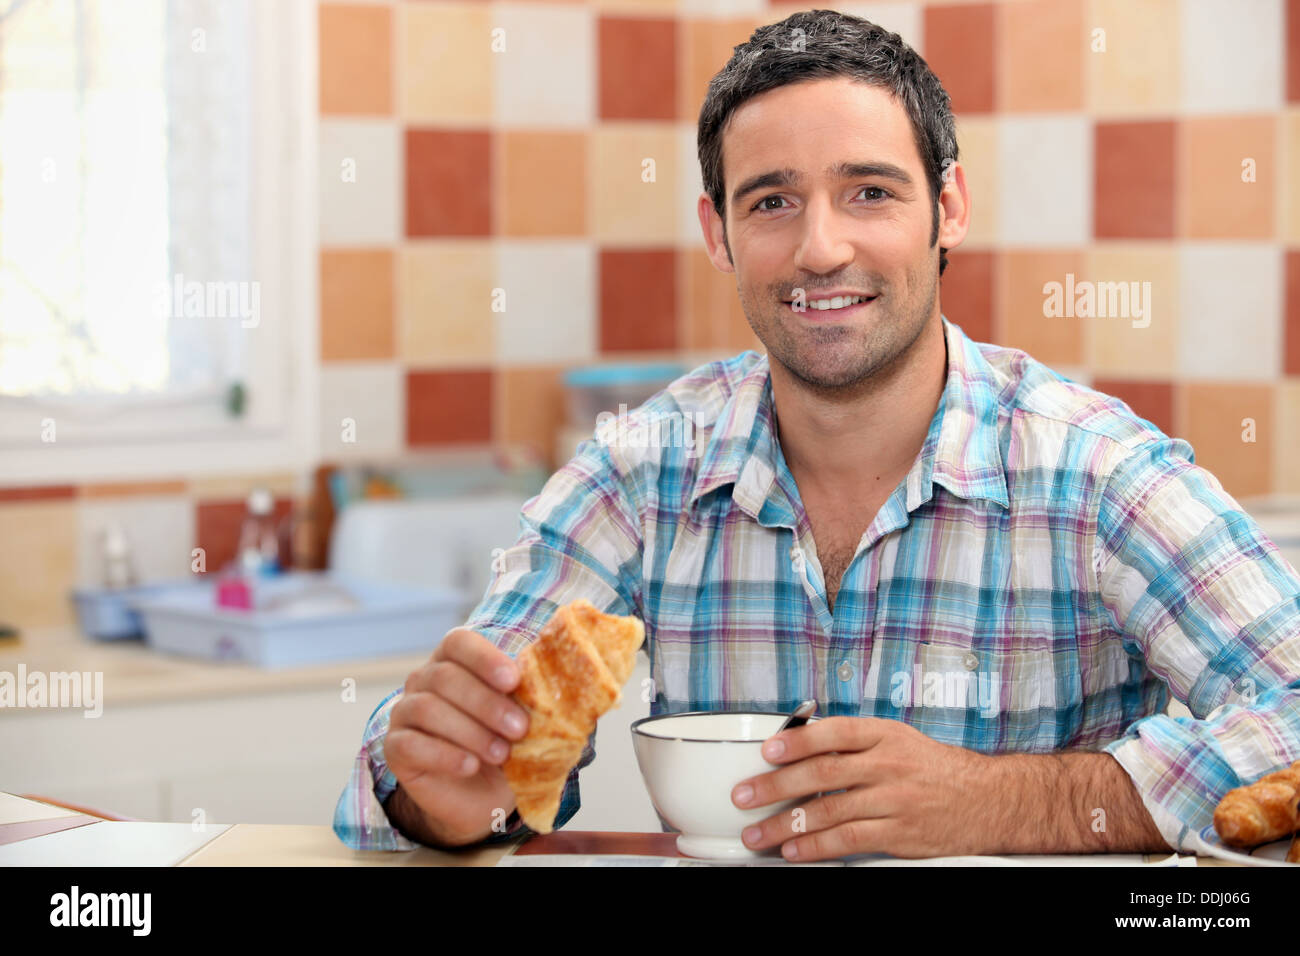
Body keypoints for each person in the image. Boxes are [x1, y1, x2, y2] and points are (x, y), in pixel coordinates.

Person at [333, 9, 1300, 862]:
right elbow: (435, 776)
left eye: (871, 192)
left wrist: (1000, 802)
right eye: (772, 201)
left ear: (947, 209)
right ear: (718, 232)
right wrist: (439, 796)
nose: (820, 248)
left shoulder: (1099, 473)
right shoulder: (640, 471)